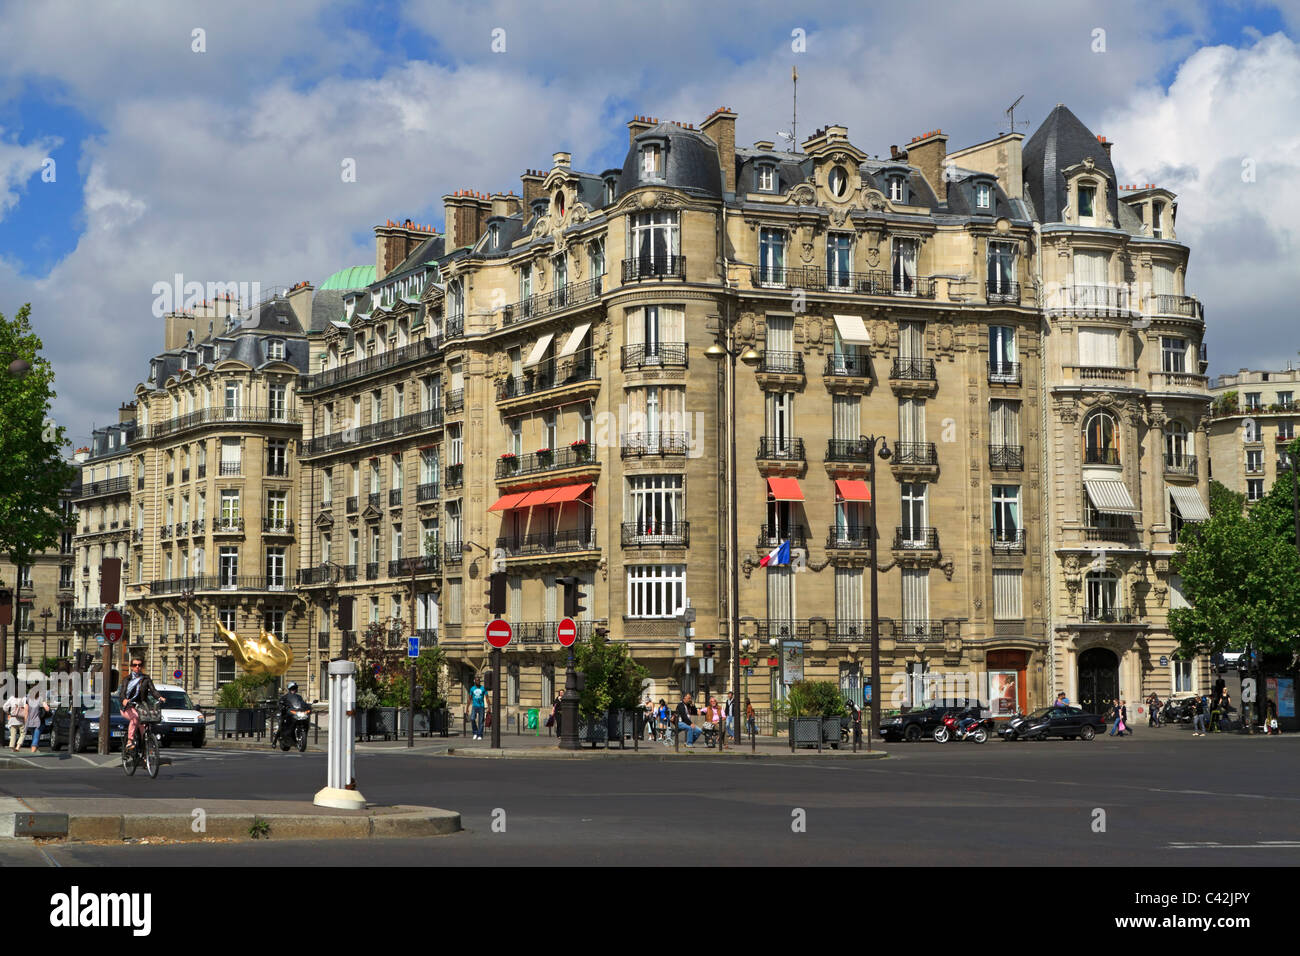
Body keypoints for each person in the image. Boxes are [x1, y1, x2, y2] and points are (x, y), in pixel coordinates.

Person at [119, 656, 158, 754]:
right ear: (131, 667)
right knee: (135, 718)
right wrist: (124, 700)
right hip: (127, 707)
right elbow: (122, 692)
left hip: (140, 707)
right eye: (135, 665)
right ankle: (130, 740)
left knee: (144, 725)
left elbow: (153, 690)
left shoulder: (146, 678)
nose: (137, 667)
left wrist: (160, 697)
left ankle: (145, 750)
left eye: (139, 665)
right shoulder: (127, 679)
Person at [22, 687, 49, 753]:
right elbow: (47, 709)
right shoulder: (40, 699)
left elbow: (26, 712)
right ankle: (33, 752)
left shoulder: (27, 700)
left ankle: (34, 749)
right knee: (36, 737)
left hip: (30, 722)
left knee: (35, 736)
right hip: (38, 722)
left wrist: (25, 722)